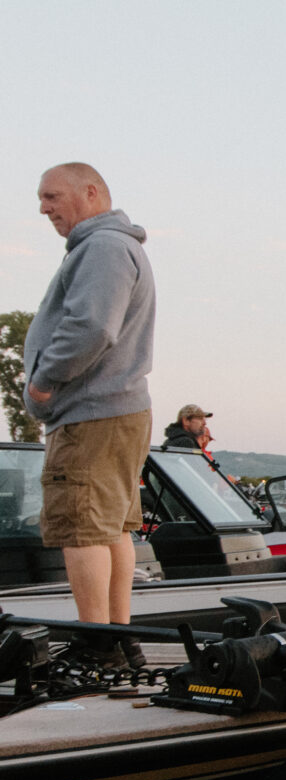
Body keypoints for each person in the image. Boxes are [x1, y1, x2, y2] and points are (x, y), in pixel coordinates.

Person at [23, 163, 155, 668]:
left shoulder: (101, 248)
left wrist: (44, 381)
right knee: (111, 527)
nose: (44, 208)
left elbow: (92, 326)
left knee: (81, 525)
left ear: (91, 192)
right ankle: (117, 640)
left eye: (52, 196)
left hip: (90, 411)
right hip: (119, 409)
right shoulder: (117, 246)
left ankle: (96, 646)